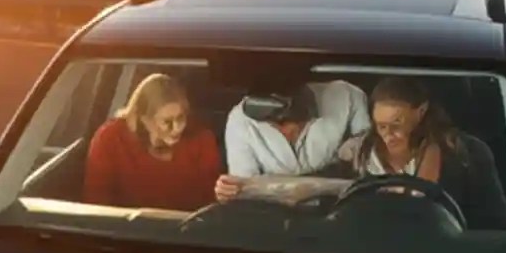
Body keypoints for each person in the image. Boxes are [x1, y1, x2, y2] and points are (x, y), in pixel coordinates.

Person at [345, 76, 506, 229]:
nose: (388, 134)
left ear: (421, 111)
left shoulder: (467, 154)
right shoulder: (359, 154)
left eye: (397, 124)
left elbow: (492, 224)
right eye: (381, 126)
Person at [83, 73, 222, 212]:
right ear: (144, 119)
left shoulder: (202, 140)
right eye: (167, 122)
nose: (177, 128)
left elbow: (211, 206)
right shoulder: (109, 139)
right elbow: (97, 206)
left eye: (181, 118)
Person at [215, 79, 370, 202]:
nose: (282, 131)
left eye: (287, 123)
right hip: (274, 216)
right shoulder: (240, 121)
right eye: (272, 124)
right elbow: (244, 189)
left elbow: (371, 164)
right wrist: (229, 191)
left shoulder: (347, 97)